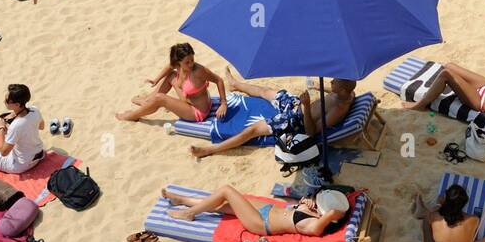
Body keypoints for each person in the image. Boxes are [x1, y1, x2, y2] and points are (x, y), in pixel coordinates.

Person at [187, 69, 356, 160]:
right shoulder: (347, 93)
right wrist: (318, 87)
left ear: (341, 89)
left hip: (297, 120)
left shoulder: (338, 110)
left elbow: (312, 133)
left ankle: (209, 150)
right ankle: (235, 84)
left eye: (335, 82)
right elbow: (335, 91)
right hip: (297, 105)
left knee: (251, 131)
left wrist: (305, 105)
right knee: (265, 91)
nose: (331, 81)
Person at [162, 183, 349, 236]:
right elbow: (301, 205)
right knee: (223, 203)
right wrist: (306, 202)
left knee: (227, 191)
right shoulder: (315, 211)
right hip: (268, 209)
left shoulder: (314, 224)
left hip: (262, 223)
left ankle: (188, 213)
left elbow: (316, 230)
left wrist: (333, 213)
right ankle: (183, 200)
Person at [118, 42, 227, 124]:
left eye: (192, 60)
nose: (191, 64)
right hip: (186, 100)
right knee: (171, 76)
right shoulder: (177, 66)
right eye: (187, 62)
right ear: (178, 63)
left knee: (160, 98)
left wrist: (223, 104)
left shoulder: (199, 71)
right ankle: (147, 102)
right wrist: (156, 79)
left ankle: (132, 116)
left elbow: (219, 80)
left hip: (197, 112)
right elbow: (169, 67)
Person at [0, 85, 46, 175]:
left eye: (6, 101)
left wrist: (1, 129)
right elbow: (41, 126)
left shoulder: (16, 126)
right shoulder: (35, 110)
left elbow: (3, 152)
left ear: (17, 105)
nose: (4, 102)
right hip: (39, 154)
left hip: (22, 164)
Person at [412, 184, 482, 242]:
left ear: (446, 200)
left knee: (426, 220)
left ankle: (421, 212)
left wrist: (439, 205)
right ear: (464, 203)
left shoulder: (434, 217)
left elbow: (436, 214)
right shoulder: (475, 220)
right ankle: (423, 211)